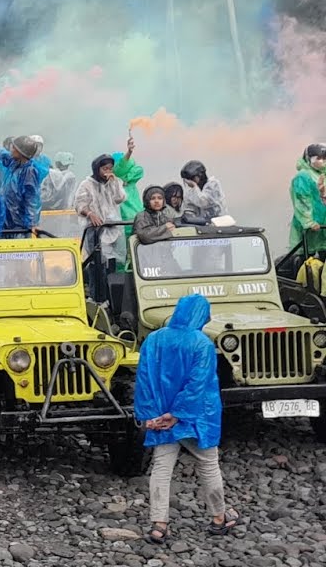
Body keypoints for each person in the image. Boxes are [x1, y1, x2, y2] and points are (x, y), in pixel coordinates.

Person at [135, 294, 237, 545]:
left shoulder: (153, 340)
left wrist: (150, 416)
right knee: (208, 464)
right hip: (197, 417)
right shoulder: (202, 343)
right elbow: (198, 383)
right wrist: (178, 414)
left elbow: (144, 379)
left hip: (160, 415)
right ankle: (218, 517)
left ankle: (159, 525)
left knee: (161, 467)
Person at [74, 154, 127, 261]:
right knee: (97, 260)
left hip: (112, 226)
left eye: (110, 169)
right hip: (95, 229)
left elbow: (119, 199)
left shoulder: (112, 182)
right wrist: (90, 214)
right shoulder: (87, 185)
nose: (107, 172)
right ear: (96, 169)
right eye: (104, 169)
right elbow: (79, 204)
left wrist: (115, 182)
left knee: (114, 259)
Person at [290, 143, 326, 253]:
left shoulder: (323, 175)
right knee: (307, 260)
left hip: (323, 227)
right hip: (310, 230)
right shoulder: (303, 176)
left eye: (324, 158)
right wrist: (309, 222)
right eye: (318, 158)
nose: (322, 161)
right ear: (308, 159)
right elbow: (302, 201)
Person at [114, 138, 144, 237]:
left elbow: (138, 170)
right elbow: (121, 166)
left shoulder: (128, 181)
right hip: (124, 223)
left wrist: (125, 179)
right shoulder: (112, 184)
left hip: (135, 221)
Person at [180, 161, 226, 225]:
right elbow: (189, 208)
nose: (189, 182)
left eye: (192, 179)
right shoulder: (191, 192)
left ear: (200, 175)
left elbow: (203, 202)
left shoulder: (213, 184)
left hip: (220, 223)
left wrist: (194, 186)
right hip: (203, 227)